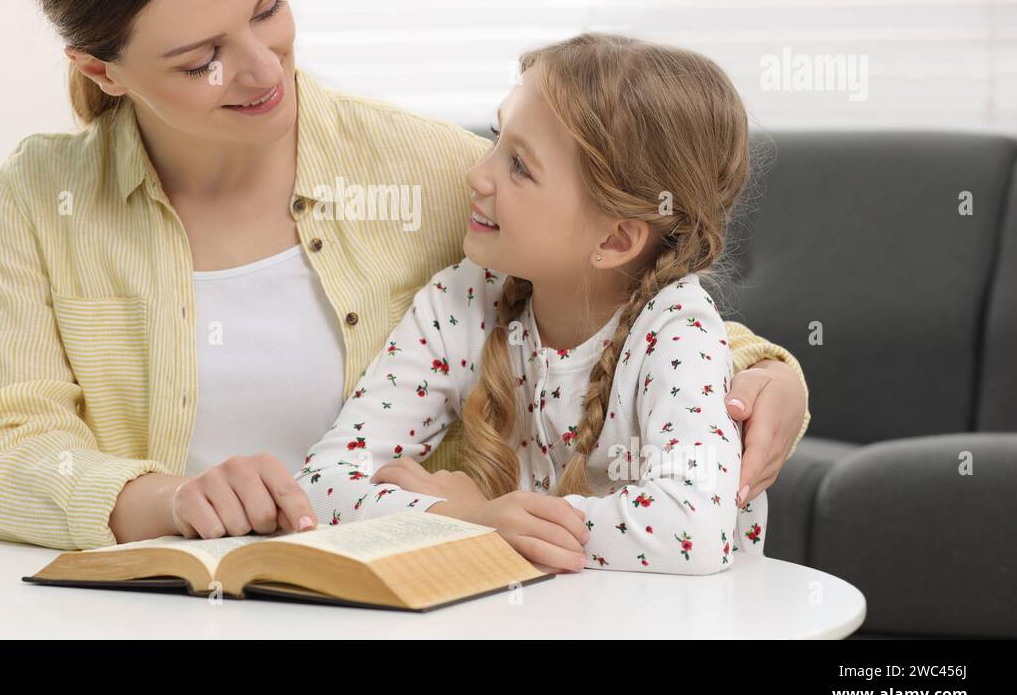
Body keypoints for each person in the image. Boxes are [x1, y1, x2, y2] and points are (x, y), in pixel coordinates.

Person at [0, 0, 810, 552]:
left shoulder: (429, 169)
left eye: (269, 7)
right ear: (103, 71)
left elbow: (616, 284)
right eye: (201, 58)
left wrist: (768, 369)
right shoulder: (42, 196)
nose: (262, 66)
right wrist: (165, 500)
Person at [297, 34, 774, 574]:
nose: (477, 176)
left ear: (615, 240)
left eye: (520, 166)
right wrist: (466, 520)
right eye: (498, 139)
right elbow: (319, 488)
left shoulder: (676, 330)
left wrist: (477, 516)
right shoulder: (462, 302)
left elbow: (691, 533)